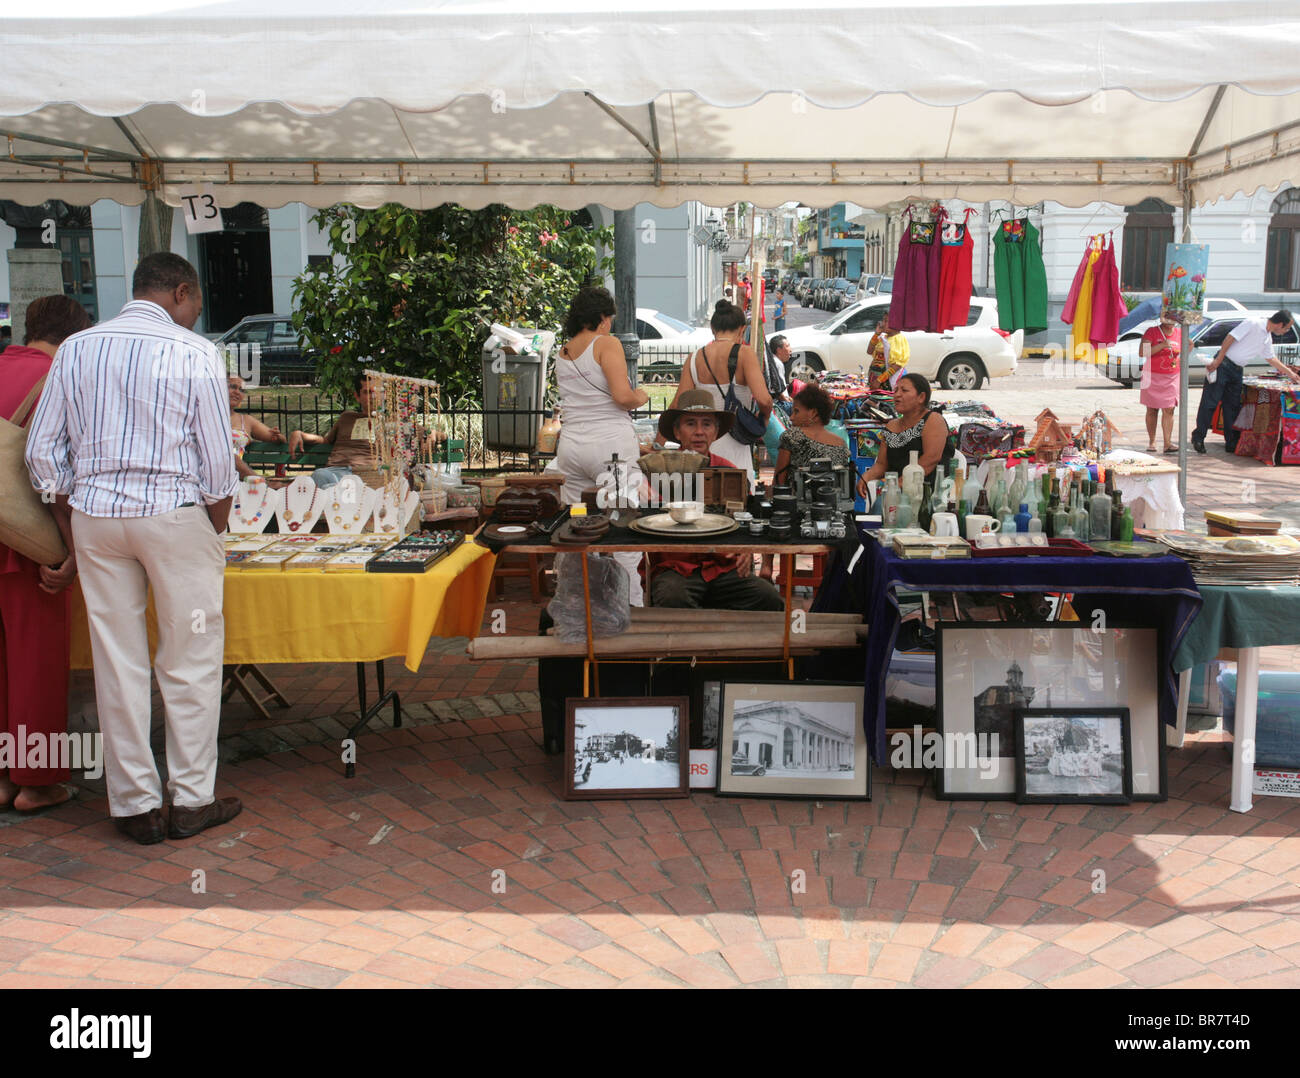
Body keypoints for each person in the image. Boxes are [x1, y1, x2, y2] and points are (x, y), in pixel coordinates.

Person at [25, 252, 242, 845]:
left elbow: (43, 455)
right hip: (173, 515)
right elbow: (218, 465)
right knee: (189, 657)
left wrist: (75, 523)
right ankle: (192, 799)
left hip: (97, 518)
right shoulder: (193, 352)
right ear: (180, 291)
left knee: (116, 660)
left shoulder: (75, 349)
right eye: (195, 304)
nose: (195, 315)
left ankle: (135, 806)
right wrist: (213, 526)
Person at [0, 295, 91, 813]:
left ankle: (2, 777)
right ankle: (35, 781)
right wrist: (72, 548)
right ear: (75, 332)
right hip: (29, 543)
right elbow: (55, 475)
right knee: (36, 662)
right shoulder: (56, 381)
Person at [553, 285, 650, 605]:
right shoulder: (606, 344)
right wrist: (642, 395)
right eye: (609, 317)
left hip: (571, 449)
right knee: (622, 531)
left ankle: (571, 604)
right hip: (610, 448)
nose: (610, 324)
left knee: (576, 523)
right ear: (601, 318)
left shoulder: (563, 352)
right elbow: (623, 397)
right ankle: (630, 608)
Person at [649, 391, 784, 611]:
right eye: (691, 424)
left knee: (768, 598)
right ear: (676, 431)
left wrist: (746, 549)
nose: (699, 432)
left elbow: (746, 519)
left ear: (716, 432)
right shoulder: (658, 471)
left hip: (723, 568)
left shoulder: (730, 471)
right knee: (674, 597)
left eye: (707, 424)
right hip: (676, 569)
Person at [664, 300, 774, 490]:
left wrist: (658, 444)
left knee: (705, 498)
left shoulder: (694, 358)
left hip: (703, 444)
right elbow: (764, 400)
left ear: (712, 328)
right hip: (736, 442)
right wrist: (763, 419)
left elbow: (677, 405)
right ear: (742, 329)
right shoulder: (744, 354)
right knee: (737, 498)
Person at [1193, 309, 1300, 454]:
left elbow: (1271, 359)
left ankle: (1231, 442)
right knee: (1210, 402)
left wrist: (1291, 374)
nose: (1286, 332)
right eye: (1286, 328)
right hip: (1224, 364)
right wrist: (1218, 360)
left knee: (1232, 407)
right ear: (1280, 324)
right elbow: (1229, 338)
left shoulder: (1267, 338)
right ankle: (1199, 437)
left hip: (1237, 370)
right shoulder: (1254, 323)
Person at [856, 373, 954, 501]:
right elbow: (881, 464)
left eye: (904, 390)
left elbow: (930, 460)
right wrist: (866, 477)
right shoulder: (891, 425)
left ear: (921, 397)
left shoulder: (933, 420)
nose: (897, 394)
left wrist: (895, 484)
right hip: (894, 492)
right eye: (896, 390)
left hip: (928, 493)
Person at [288, 369, 384, 487]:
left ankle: (334, 494)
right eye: (367, 392)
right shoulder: (346, 417)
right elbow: (326, 440)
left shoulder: (390, 423)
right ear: (357, 396)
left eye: (377, 392)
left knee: (329, 490)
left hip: (367, 473)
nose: (373, 396)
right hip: (335, 471)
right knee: (319, 475)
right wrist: (301, 434)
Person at [773, 384, 851, 485]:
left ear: (813, 413)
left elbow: (779, 482)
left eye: (796, 411)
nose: (791, 417)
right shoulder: (841, 444)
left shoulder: (791, 437)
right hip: (834, 499)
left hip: (797, 499)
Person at [228, 374, 285, 478]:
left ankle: (261, 483)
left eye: (241, 390)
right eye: (233, 387)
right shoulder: (206, 415)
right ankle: (263, 483)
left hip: (233, 477)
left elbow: (276, 438)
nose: (237, 392)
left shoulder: (246, 421)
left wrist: (278, 436)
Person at [1139, 314, 1181, 454]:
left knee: (1169, 409)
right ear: (1162, 318)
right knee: (1152, 409)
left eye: (1174, 319)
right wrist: (1162, 345)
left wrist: (1189, 347)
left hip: (1172, 376)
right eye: (1168, 318)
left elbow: (1184, 350)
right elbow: (1142, 352)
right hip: (1152, 375)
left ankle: (1167, 443)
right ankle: (1152, 441)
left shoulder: (1180, 333)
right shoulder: (1152, 331)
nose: (1171, 322)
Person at [866, 314, 908, 390]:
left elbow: (897, 365)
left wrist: (879, 380)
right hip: (876, 380)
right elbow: (869, 351)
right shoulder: (883, 337)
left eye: (886, 321)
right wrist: (876, 334)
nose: (882, 324)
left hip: (886, 382)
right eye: (883, 320)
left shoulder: (898, 339)